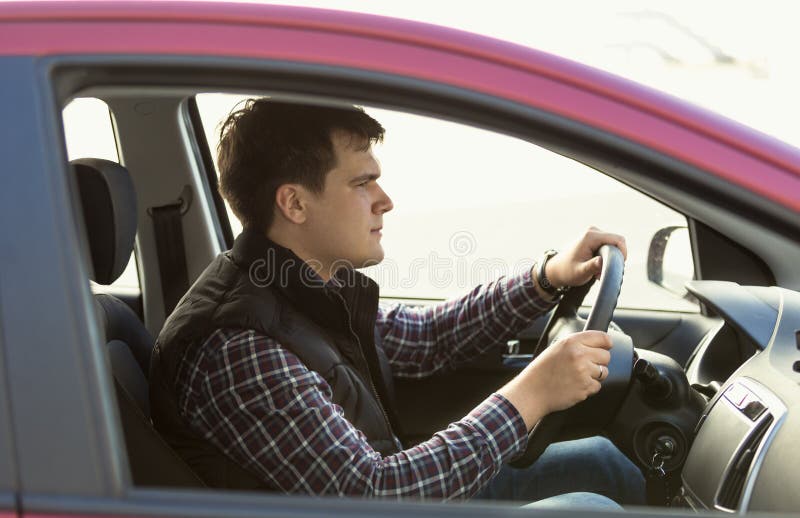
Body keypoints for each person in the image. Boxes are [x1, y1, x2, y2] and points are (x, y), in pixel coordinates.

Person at [149, 99, 645, 508]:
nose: (385, 200)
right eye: (362, 183)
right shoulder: (238, 346)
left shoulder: (297, 288)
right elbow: (376, 495)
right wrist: (533, 394)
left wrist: (545, 278)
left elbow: (429, 337)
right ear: (294, 204)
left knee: (603, 459)